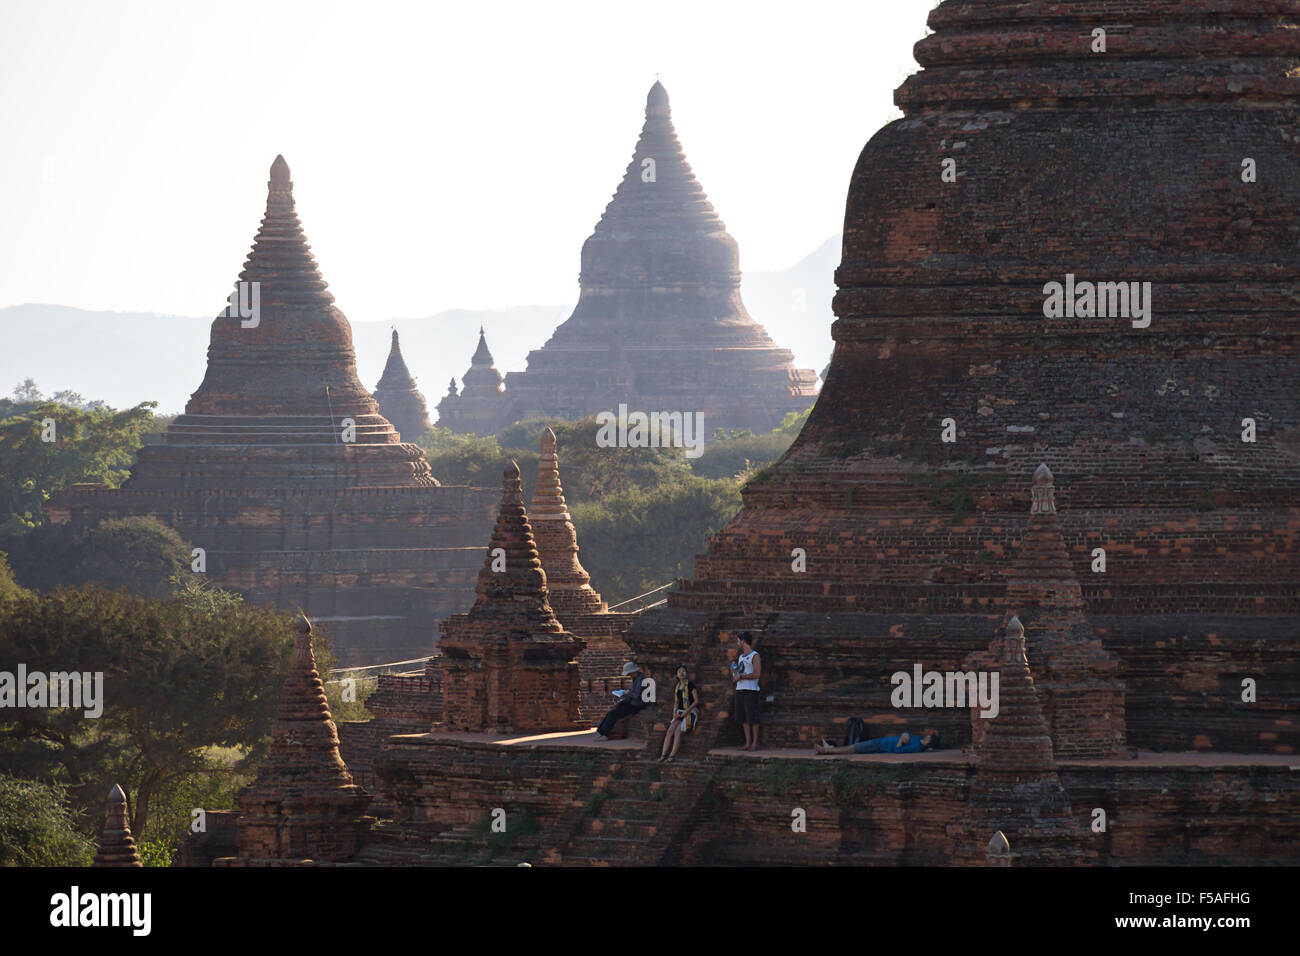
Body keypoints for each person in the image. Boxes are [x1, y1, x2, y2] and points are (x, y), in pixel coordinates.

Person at [594, 662, 649, 740]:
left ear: (633, 672)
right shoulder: (636, 679)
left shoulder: (642, 680)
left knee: (613, 714)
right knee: (614, 710)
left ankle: (605, 734)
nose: (629, 675)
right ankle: (601, 731)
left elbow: (637, 695)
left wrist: (627, 693)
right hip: (632, 702)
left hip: (637, 704)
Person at [659, 666, 700, 762]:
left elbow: (696, 701)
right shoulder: (677, 686)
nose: (681, 673)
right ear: (677, 675)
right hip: (680, 712)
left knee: (678, 731)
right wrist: (674, 713)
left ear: (686, 673)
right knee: (670, 731)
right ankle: (663, 754)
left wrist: (687, 711)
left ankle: (671, 756)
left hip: (690, 712)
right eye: (679, 671)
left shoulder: (690, 685)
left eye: (683, 671)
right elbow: (676, 702)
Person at [731, 632, 762, 751]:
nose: (738, 643)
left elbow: (757, 674)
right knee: (742, 718)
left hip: (751, 690)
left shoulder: (755, 655)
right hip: (740, 689)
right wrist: (735, 674)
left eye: (738, 640)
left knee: (753, 717)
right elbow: (739, 674)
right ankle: (747, 742)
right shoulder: (741, 657)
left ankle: (755, 743)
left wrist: (742, 677)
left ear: (743, 641)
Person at [813, 730, 940, 755]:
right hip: (882, 741)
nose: (928, 734)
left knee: (854, 748)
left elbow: (898, 750)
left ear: (929, 740)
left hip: (882, 746)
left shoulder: (917, 747)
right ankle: (830, 748)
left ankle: (827, 750)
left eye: (930, 736)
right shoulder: (918, 739)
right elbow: (906, 733)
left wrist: (901, 740)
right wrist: (904, 734)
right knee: (853, 747)